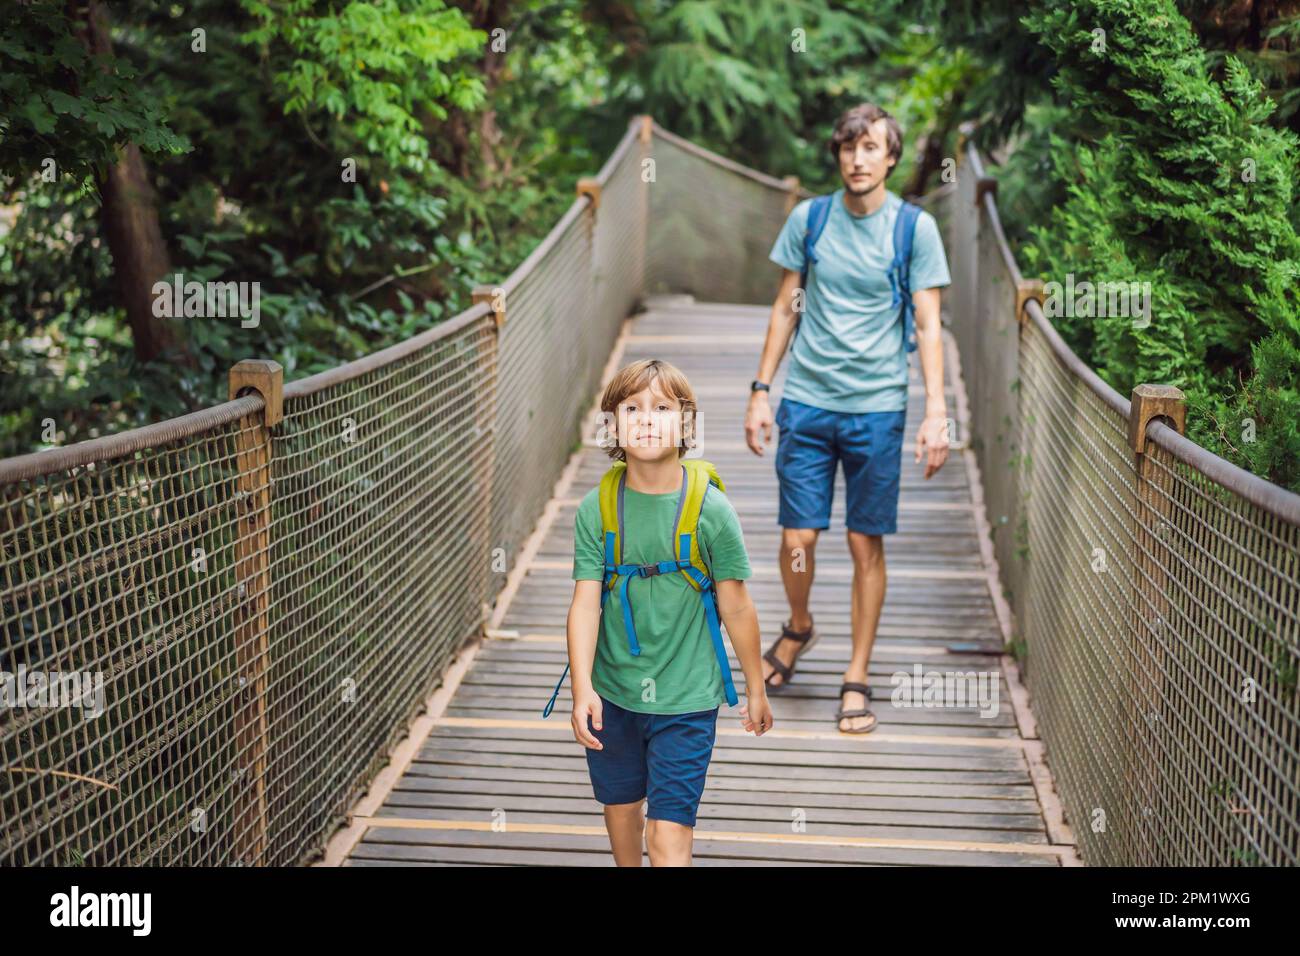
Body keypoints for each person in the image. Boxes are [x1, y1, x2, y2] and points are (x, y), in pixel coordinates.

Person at [744, 103, 953, 734]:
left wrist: (936, 410)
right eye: (848, 148)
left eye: (871, 149)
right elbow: (785, 306)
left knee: (866, 543)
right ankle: (800, 626)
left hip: (878, 407)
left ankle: (856, 674)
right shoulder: (810, 220)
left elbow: (928, 322)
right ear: (838, 156)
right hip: (807, 400)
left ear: (891, 158)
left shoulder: (913, 230)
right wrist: (760, 389)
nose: (858, 160)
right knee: (796, 540)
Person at [566, 358, 773, 866]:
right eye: (631, 407)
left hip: (687, 698)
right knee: (620, 809)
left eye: (662, 408)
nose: (646, 418)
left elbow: (738, 606)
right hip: (613, 693)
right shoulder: (597, 508)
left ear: (687, 425)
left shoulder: (711, 512)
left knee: (667, 833)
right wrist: (581, 688)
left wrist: (756, 686)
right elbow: (585, 603)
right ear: (612, 425)